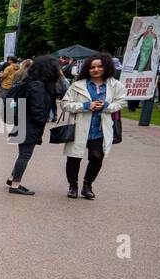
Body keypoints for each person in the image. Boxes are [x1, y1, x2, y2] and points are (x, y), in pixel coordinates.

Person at [60, 53, 124, 199]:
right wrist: (85, 105)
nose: (96, 69)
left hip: (100, 128)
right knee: (74, 157)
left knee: (96, 157)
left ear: (106, 67)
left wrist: (106, 106)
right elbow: (64, 104)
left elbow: (121, 103)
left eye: (99, 66)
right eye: (92, 67)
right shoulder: (77, 85)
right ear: (87, 69)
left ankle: (87, 185)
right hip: (79, 126)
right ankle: (73, 186)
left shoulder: (115, 85)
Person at [7, 55, 61, 195]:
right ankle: (15, 184)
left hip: (25, 122)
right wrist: (41, 120)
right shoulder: (38, 85)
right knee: (25, 155)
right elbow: (37, 107)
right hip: (29, 123)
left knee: (23, 154)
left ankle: (13, 178)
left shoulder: (33, 81)